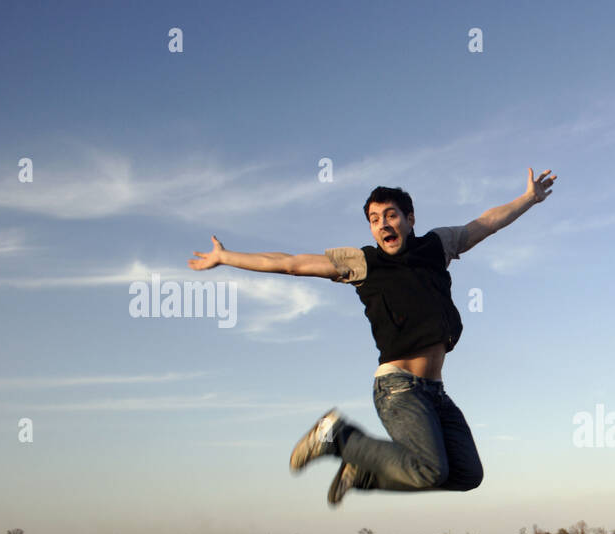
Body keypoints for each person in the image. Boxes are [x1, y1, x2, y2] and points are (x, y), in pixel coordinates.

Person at [188, 168, 555, 506]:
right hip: (397, 389)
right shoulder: (364, 263)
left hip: (435, 392)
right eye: (374, 220)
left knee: (467, 474)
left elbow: (486, 224)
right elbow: (291, 263)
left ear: (410, 219)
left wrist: (528, 198)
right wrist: (225, 257)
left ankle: (362, 470)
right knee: (430, 469)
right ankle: (338, 436)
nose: (383, 225)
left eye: (391, 215)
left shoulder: (437, 246)